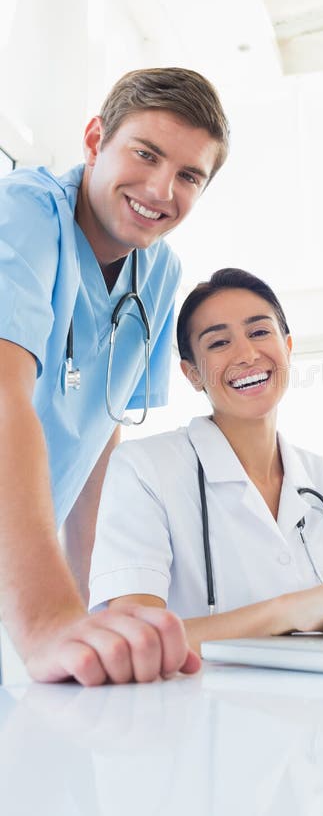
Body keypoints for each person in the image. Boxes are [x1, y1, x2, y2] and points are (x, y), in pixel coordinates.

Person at [0, 67, 229, 685]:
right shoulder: (22, 213)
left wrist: (97, 614)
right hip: (24, 590)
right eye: (146, 154)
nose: (160, 189)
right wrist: (49, 620)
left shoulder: (158, 273)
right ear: (95, 140)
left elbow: (99, 442)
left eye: (189, 176)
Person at [89, 269, 323, 650]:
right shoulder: (144, 467)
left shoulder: (321, 477)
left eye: (259, 332)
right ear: (193, 374)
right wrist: (292, 611)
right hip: (200, 690)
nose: (246, 355)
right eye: (219, 342)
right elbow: (135, 636)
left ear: (288, 347)